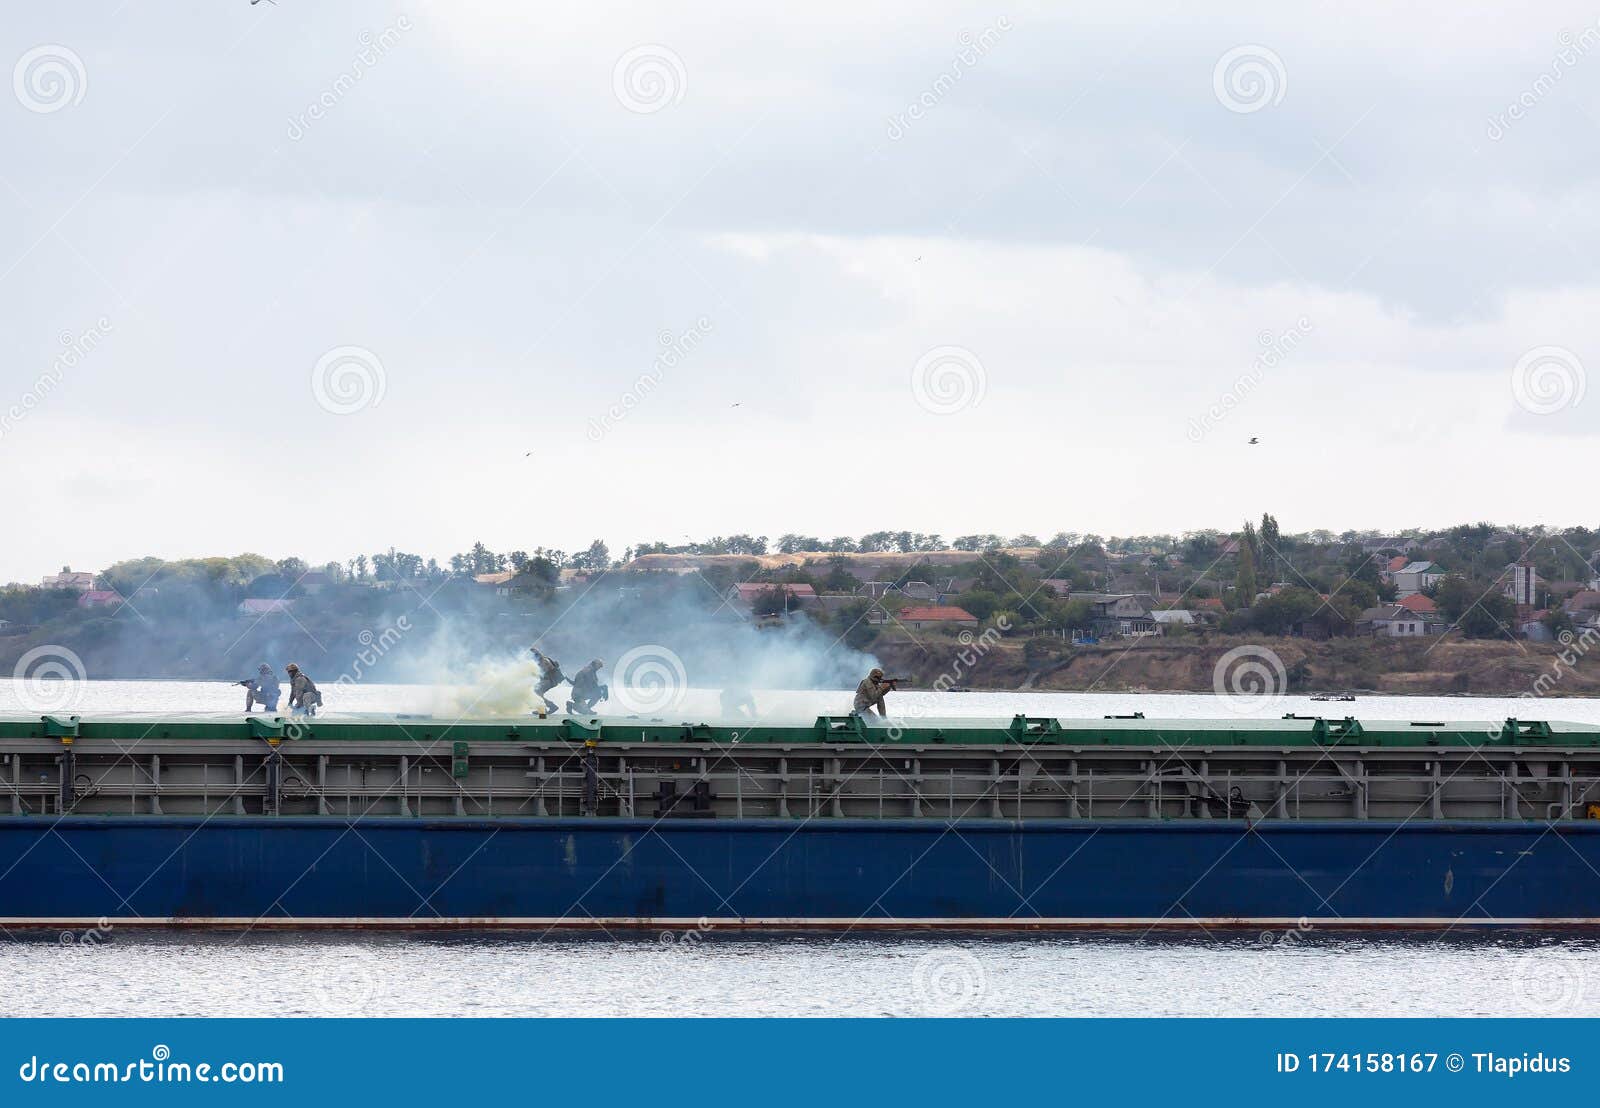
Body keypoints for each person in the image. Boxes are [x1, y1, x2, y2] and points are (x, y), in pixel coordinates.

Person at [530, 647, 567, 714]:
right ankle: (548, 707)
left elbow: (549, 669)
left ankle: (546, 708)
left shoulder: (544, 660)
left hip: (549, 680)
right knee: (538, 693)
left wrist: (537, 673)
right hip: (549, 680)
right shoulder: (543, 660)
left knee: (536, 691)